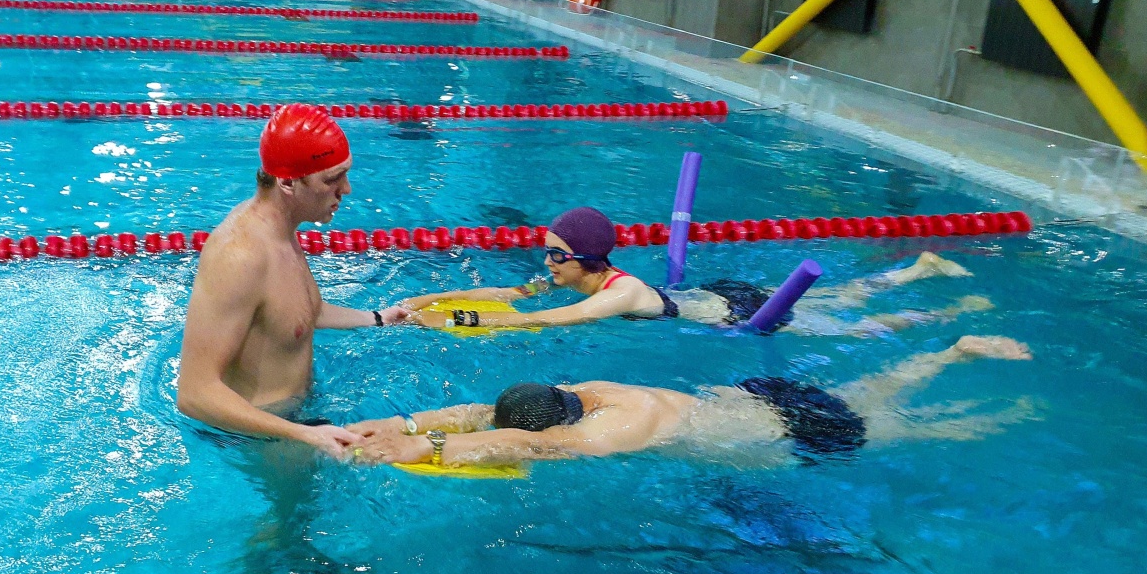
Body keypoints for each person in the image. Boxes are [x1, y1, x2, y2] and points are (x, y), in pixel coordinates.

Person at [350, 335, 1036, 468]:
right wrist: (395, 423)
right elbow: (487, 414)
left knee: (923, 430)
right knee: (870, 395)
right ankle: (947, 354)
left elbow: (528, 443)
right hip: (759, 398)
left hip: (787, 434)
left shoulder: (607, 434)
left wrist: (416, 449)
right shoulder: (587, 393)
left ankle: (1023, 416)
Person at [177, 104, 410, 455]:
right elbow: (194, 393)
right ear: (287, 182)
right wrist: (303, 435)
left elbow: (295, 313)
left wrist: (376, 318)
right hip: (261, 442)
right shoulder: (239, 255)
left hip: (295, 423)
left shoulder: (281, 229)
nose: (346, 190)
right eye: (331, 180)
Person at [399, 206, 991, 337]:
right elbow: (508, 292)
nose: (544, 263)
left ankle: (949, 312)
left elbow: (546, 321)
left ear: (585, 259)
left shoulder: (621, 292)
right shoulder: (568, 275)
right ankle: (914, 272)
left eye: (555, 254)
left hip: (734, 314)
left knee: (848, 325)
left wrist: (459, 323)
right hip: (716, 296)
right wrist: (424, 302)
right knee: (833, 300)